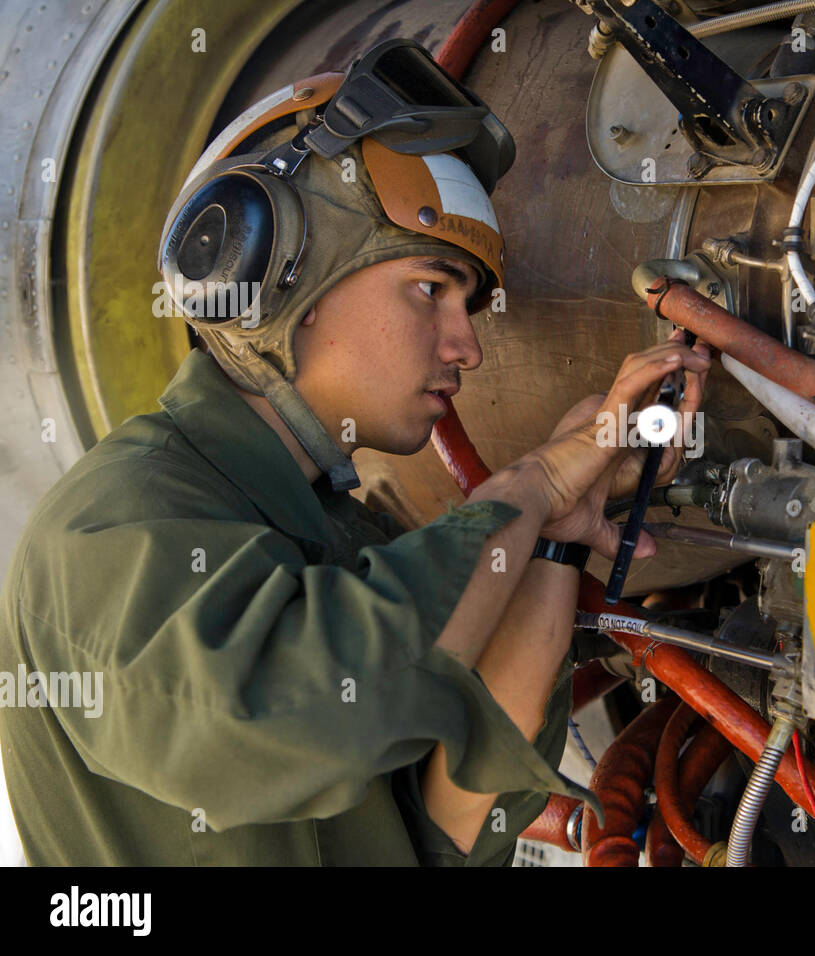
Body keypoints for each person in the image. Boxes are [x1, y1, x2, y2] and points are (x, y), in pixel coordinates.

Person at [0, 41, 709, 866]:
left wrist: (554, 533)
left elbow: (451, 821)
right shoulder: (107, 530)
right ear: (265, 269)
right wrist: (538, 478)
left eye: (469, 303)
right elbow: (306, 716)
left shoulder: (345, 543)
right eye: (430, 288)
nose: (466, 347)